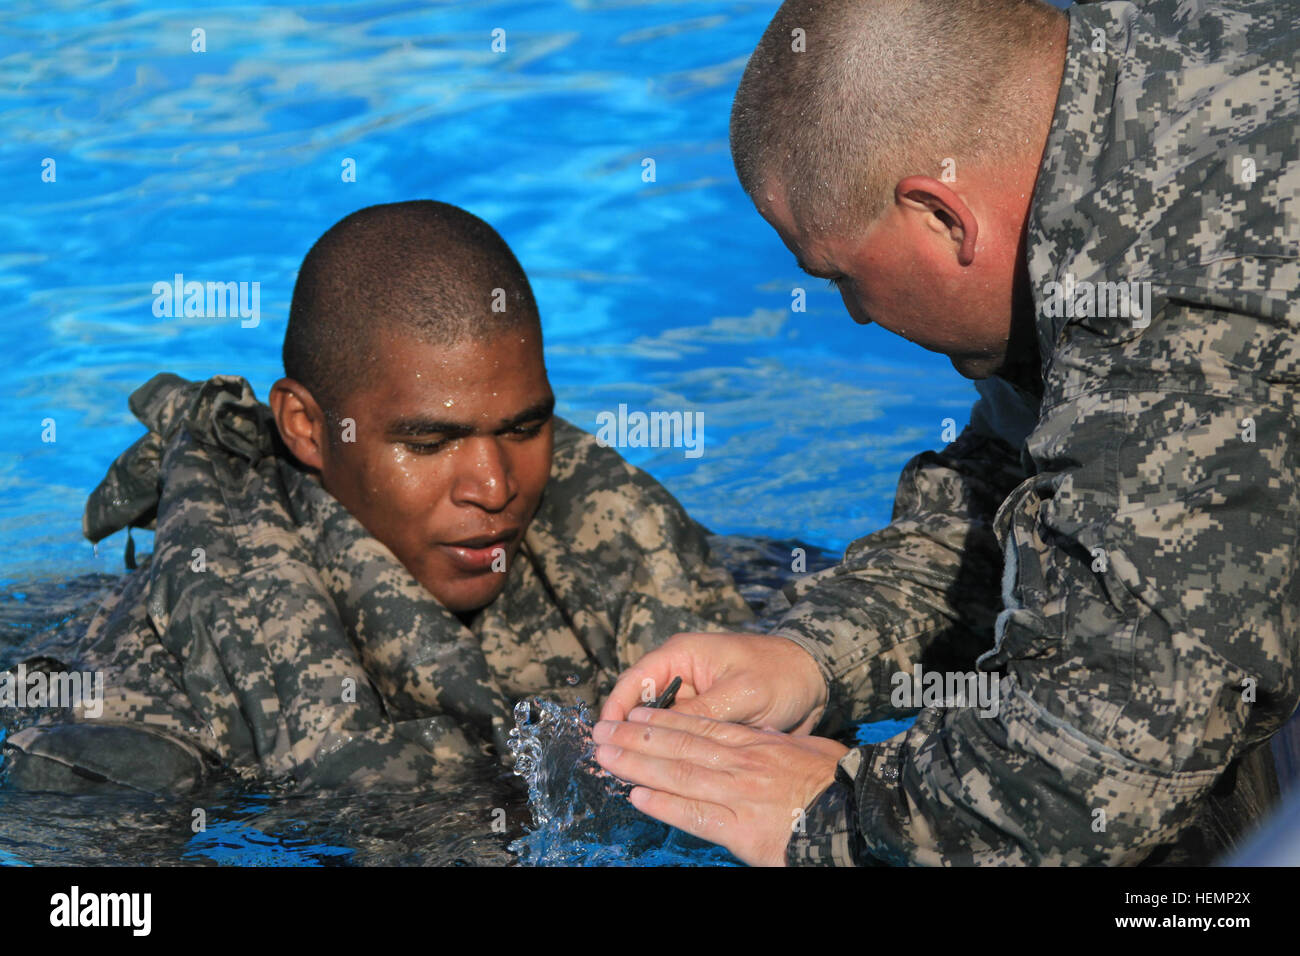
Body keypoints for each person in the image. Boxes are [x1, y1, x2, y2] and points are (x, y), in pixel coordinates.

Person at [594, 0, 1300, 866]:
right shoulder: (1129, 90)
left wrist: (832, 818)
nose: (853, 317)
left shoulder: (1183, 289)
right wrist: (807, 657)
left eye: (841, 275)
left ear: (942, 217)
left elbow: (1102, 767)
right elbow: (1020, 485)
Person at [0, 200, 754, 794]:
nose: (495, 487)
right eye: (429, 444)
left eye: (524, 427)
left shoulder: (626, 546)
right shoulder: (151, 708)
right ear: (306, 427)